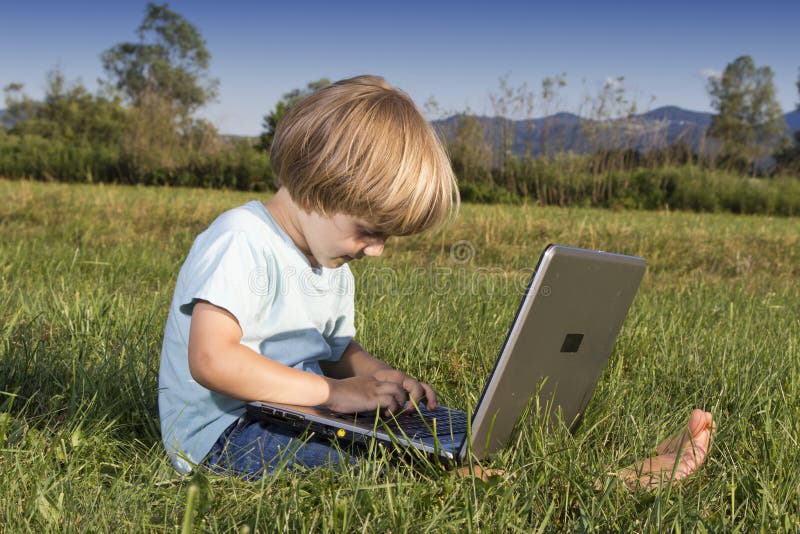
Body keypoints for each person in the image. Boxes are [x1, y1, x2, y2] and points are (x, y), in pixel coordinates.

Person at [158, 75, 714, 488]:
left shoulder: (329, 258)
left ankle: (540, 469)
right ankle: (607, 485)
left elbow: (335, 348)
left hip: (295, 411)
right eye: (369, 232)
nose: (375, 251)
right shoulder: (241, 240)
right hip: (225, 435)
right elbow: (213, 362)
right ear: (319, 187)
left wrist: (381, 379)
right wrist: (334, 394)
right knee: (411, 472)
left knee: (444, 443)